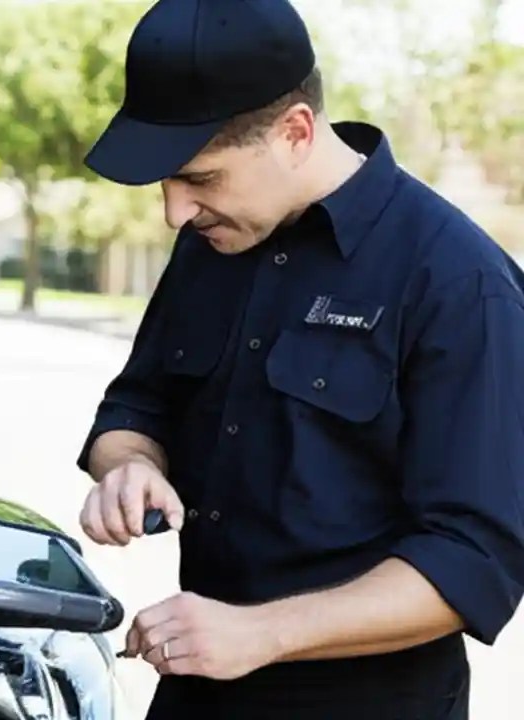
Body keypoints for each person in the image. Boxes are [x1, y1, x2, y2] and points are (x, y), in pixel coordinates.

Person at [73, 0, 524, 718]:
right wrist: (130, 466)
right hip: (196, 691)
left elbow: (473, 563)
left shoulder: (458, 282)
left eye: (201, 177)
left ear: (295, 133)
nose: (174, 212)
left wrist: (260, 633)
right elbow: (136, 407)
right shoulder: (212, 243)